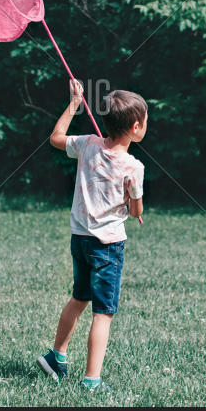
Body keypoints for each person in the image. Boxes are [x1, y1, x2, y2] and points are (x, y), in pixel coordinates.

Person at [36, 79, 147, 393]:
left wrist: (74, 103)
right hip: (108, 245)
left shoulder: (87, 144)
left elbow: (55, 138)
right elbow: (136, 208)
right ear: (136, 127)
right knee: (103, 313)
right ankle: (92, 380)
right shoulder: (133, 167)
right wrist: (135, 201)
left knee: (79, 297)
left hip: (80, 239)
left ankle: (57, 356)